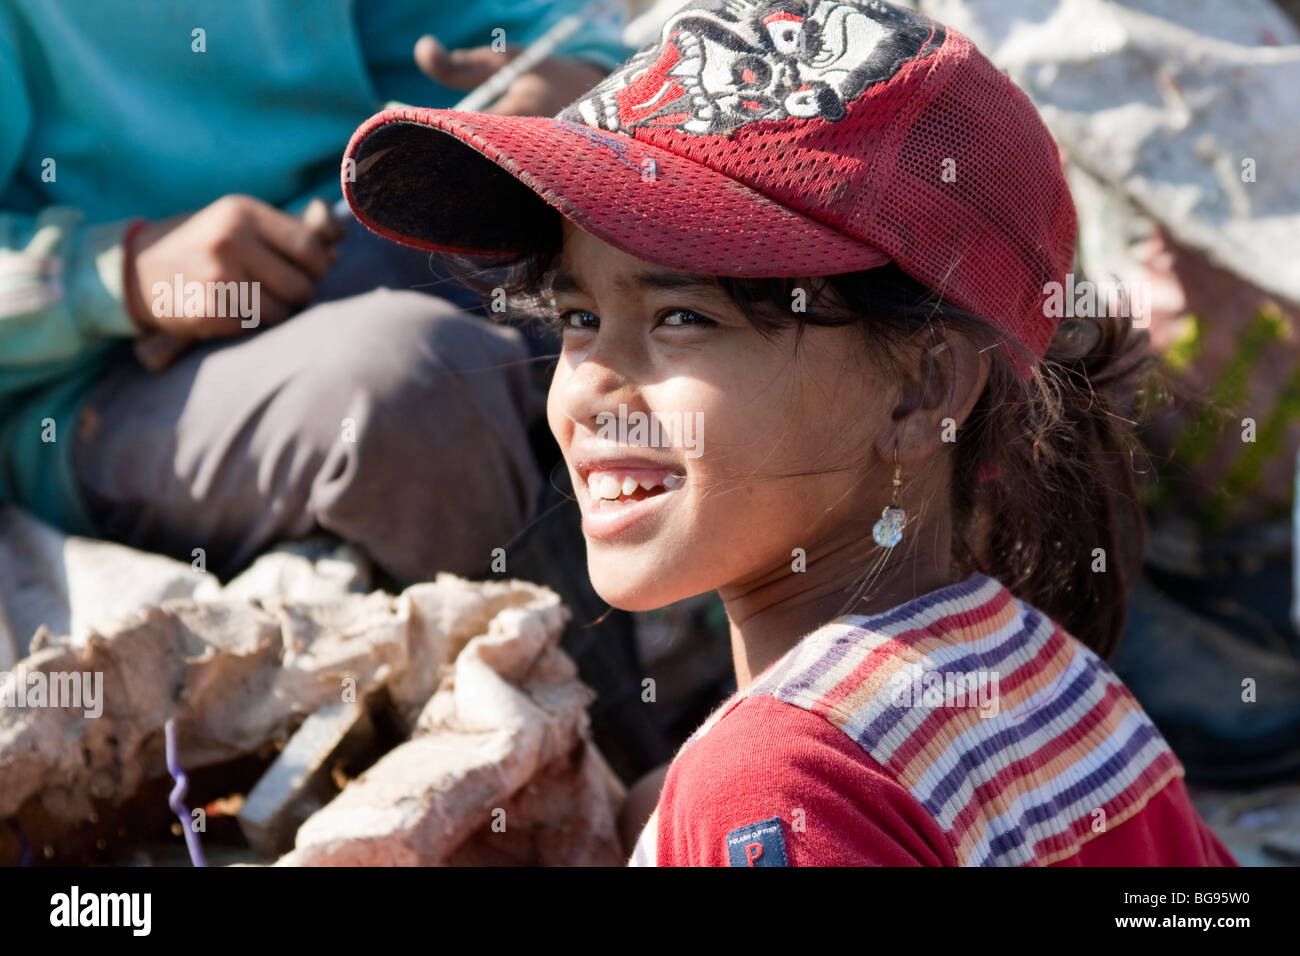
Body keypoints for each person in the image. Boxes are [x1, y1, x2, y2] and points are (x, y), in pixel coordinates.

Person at [339, 0, 1239, 865]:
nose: (590, 387)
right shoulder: (1057, 686)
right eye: (576, 318)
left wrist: (732, 798)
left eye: (683, 318)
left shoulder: (773, 788)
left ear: (921, 392)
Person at [0, 0, 630, 584]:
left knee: (630, 248)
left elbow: (533, 33)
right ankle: (587, 687)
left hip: (350, 245)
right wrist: (119, 276)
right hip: (97, 384)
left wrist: (576, 84)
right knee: (405, 384)